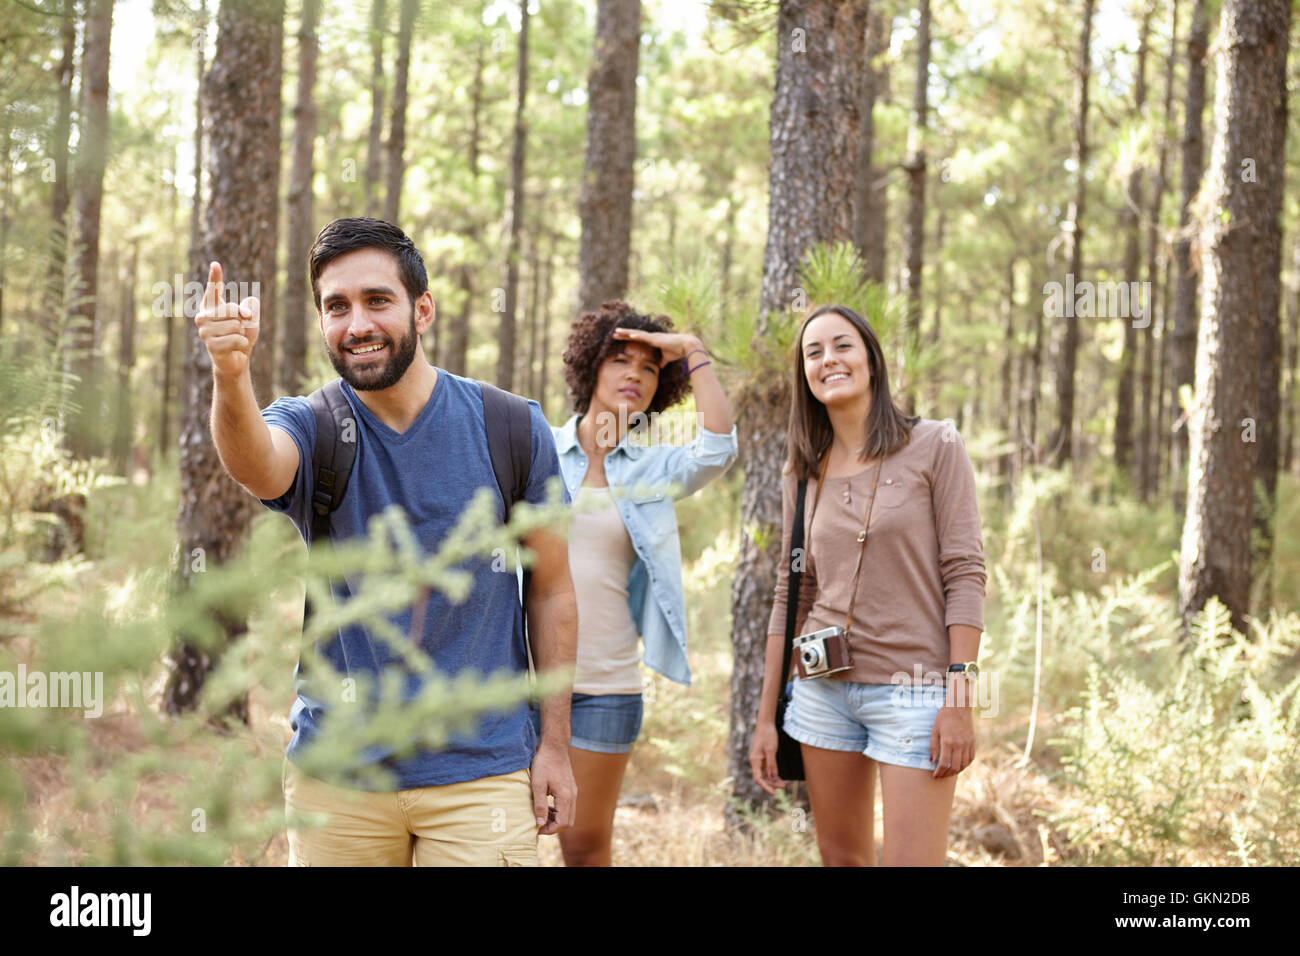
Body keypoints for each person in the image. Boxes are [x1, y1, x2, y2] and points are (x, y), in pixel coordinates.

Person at [194, 216, 577, 866]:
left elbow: (553, 590)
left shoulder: (510, 426)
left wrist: (556, 747)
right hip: (337, 779)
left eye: (378, 300)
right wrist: (231, 376)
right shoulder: (313, 424)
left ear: (421, 309)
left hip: (481, 773)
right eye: (336, 307)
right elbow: (256, 461)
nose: (357, 324)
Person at [749, 304, 986, 867]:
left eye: (842, 345)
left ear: (872, 362)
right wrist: (764, 720)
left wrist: (960, 700)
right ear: (805, 376)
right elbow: (792, 594)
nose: (828, 359)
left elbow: (966, 574)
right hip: (821, 693)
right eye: (814, 352)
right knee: (843, 862)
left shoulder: (937, 446)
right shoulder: (802, 471)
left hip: (915, 692)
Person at [542, 300, 737, 866]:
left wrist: (693, 352)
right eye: (619, 359)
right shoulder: (539, 451)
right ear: (589, 368)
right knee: (503, 839)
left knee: (583, 846)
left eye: (650, 368)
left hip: (607, 688)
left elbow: (719, 447)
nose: (634, 374)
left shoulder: (651, 469)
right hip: (524, 681)